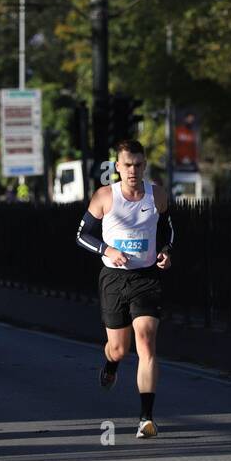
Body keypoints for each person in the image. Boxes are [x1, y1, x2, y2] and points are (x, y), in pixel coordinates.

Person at [76, 139, 174, 440]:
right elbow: (82, 235)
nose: (133, 170)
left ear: (145, 165)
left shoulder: (157, 194)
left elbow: (168, 228)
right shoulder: (106, 196)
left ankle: (146, 418)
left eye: (138, 164)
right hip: (114, 278)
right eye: (127, 165)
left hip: (146, 277)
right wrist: (106, 250)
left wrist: (166, 251)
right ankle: (110, 363)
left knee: (146, 339)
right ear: (118, 167)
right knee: (120, 348)